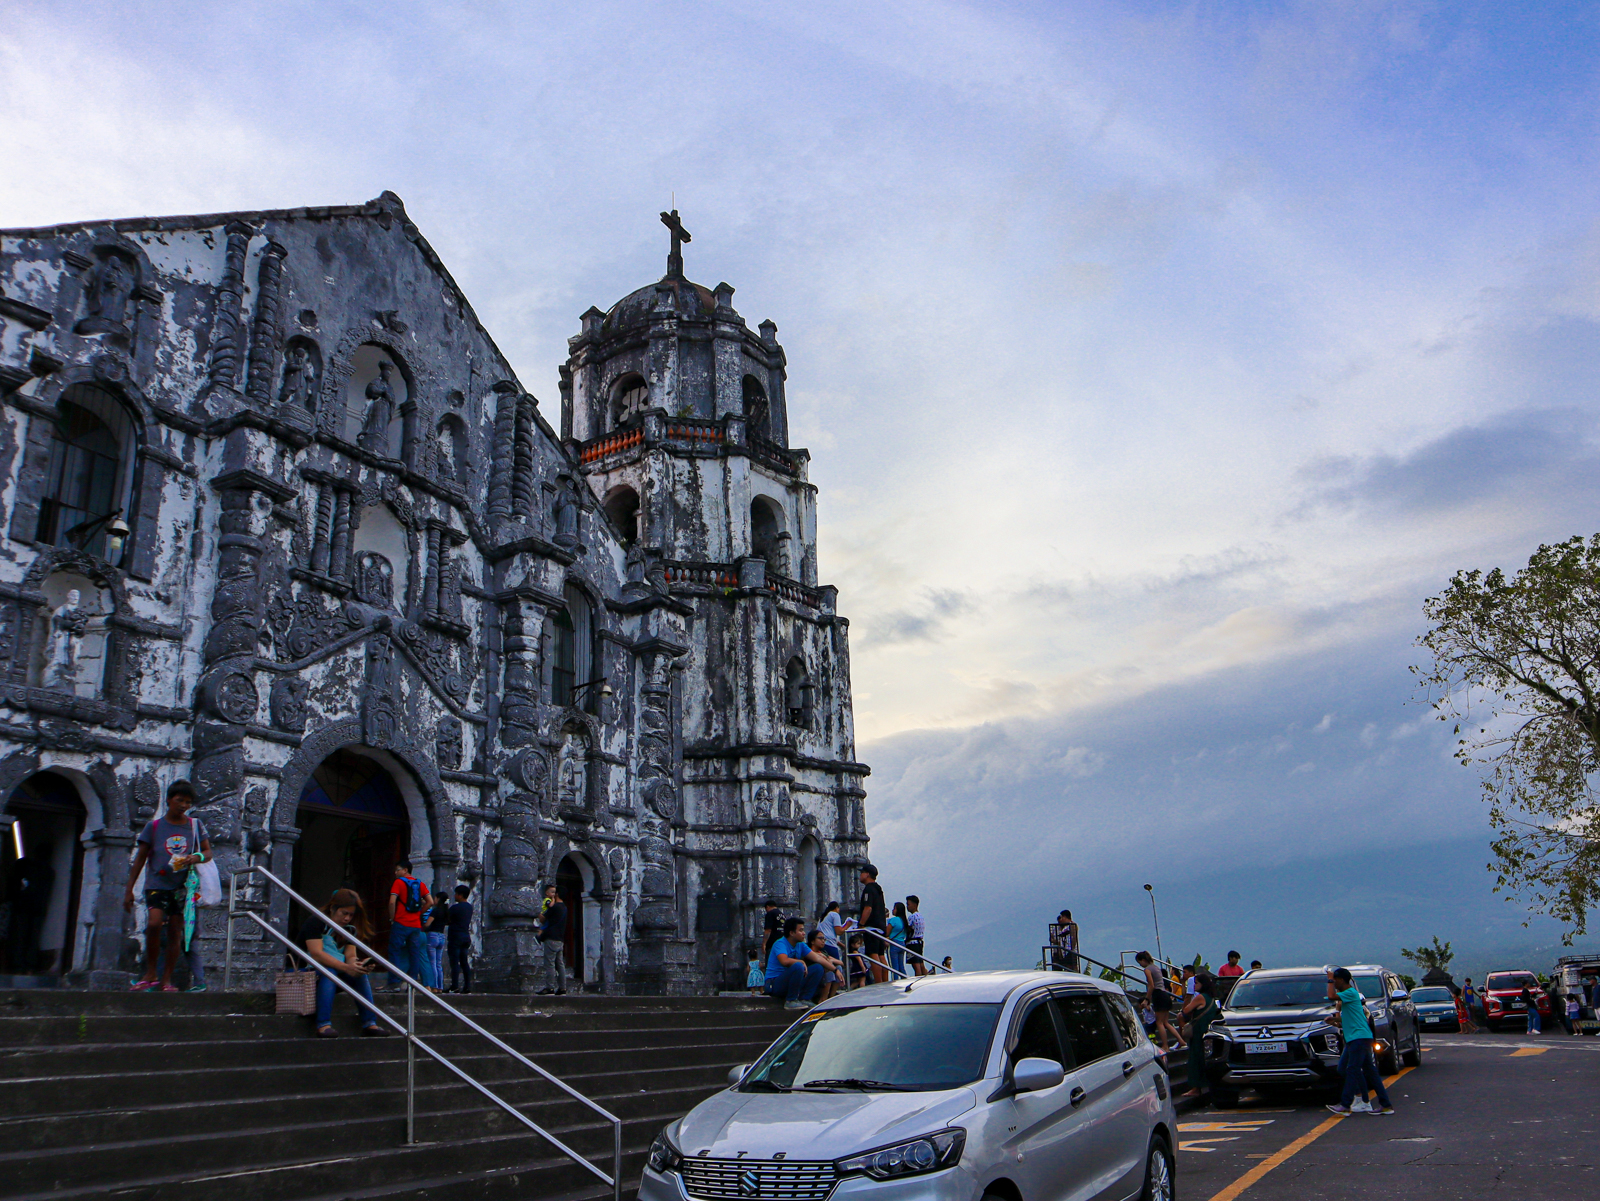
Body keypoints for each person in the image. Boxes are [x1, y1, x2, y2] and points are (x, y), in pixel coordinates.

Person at [124, 780, 212, 992]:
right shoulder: (153, 827)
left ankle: (165, 981)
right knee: (154, 924)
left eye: (188, 802)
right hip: (156, 884)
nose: (183, 805)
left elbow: (208, 852)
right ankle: (150, 972)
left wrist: (196, 857)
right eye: (179, 800)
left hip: (183, 887)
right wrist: (129, 889)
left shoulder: (195, 826)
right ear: (169, 800)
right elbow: (140, 859)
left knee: (175, 933)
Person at [301, 888, 388, 1038]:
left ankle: (370, 1023)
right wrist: (346, 968)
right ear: (333, 908)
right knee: (331, 972)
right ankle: (323, 1025)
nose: (347, 918)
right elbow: (316, 954)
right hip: (306, 973)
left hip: (333, 971)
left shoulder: (349, 930)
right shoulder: (316, 922)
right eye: (344, 913)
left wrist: (358, 965)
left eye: (351, 915)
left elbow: (350, 955)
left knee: (359, 975)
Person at [1326, 967, 1393, 1116]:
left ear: (1341, 980)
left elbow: (1331, 995)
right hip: (1355, 1037)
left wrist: (1329, 979)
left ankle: (1346, 1104)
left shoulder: (1350, 993)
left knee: (1352, 1069)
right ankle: (1382, 1104)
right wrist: (1335, 1020)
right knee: (1362, 1070)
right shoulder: (1348, 996)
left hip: (1359, 1037)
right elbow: (1349, 1019)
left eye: (1335, 980)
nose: (1333, 983)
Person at [386, 860, 432, 990]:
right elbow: (430, 901)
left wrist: (392, 918)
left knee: (394, 951)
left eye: (398, 869)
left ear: (405, 870)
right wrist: (419, 913)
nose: (396, 873)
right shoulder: (420, 883)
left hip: (400, 922)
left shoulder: (399, 882)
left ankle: (394, 981)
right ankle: (412, 981)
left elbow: (391, 902)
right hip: (415, 925)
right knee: (414, 952)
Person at [766, 917, 825, 1009]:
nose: (804, 933)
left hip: (790, 982)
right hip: (775, 983)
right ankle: (791, 1000)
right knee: (798, 965)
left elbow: (817, 958)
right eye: (801, 930)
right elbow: (784, 961)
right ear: (792, 933)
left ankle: (805, 999)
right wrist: (800, 961)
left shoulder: (800, 944)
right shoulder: (780, 943)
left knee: (818, 968)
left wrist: (835, 970)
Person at [1179, 974, 1220, 1100]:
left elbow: (1186, 1010)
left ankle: (1196, 1087)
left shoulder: (1200, 998)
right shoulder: (1212, 998)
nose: (1194, 985)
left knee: (1195, 1057)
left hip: (1198, 1032)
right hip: (1207, 1031)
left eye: (1196, 983)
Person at [1137, 950, 1183, 1056]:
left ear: (1143, 960)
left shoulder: (1147, 969)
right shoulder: (1155, 967)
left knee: (1159, 1022)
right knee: (1166, 1022)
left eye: (1140, 963)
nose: (1140, 965)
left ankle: (1165, 1046)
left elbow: (1151, 985)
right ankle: (1181, 1041)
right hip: (1165, 995)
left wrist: (1147, 999)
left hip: (1158, 995)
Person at [858, 864, 888, 984]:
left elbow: (868, 908)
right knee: (881, 955)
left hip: (871, 927)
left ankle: (878, 982)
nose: (860, 875)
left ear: (867, 874)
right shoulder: (878, 889)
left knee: (873, 954)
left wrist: (861, 924)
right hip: (880, 926)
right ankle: (885, 981)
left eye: (862, 873)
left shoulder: (869, 889)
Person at [536, 883, 568, 996]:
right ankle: (563, 988)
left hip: (551, 938)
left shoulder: (554, 907)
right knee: (560, 964)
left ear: (557, 894)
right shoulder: (564, 908)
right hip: (560, 939)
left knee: (549, 964)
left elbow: (543, 920)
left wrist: (537, 912)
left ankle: (550, 987)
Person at [446, 884, 473, 994]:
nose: (455, 896)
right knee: (464, 962)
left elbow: (447, 919)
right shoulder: (469, 907)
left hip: (455, 937)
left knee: (454, 962)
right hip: (465, 936)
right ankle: (467, 986)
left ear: (460, 895)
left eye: (456, 894)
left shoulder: (455, 908)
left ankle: (455, 985)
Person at [807, 929, 845, 1002]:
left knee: (839, 967)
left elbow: (841, 963)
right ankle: (823, 999)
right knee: (829, 971)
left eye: (824, 939)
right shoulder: (808, 952)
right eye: (820, 938)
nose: (823, 941)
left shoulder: (823, 952)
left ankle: (831, 997)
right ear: (812, 941)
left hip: (823, 979)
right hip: (813, 978)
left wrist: (831, 960)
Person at [423, 893, 450, 993]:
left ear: (438, 899)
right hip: (441, 936)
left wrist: (423, 926)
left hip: (433, 935)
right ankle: (440, 986)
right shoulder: (446, 911)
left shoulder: (435, 911)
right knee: (438, 963)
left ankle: (434, 986)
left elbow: (427, 924)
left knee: (432, 963)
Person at [817, 900, 851, 969]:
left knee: (827, 965)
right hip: (830, 945)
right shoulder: (834, 914)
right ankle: (839, 979)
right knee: (837, 965)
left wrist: (841, 945)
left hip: (821, 944)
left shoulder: (823, 917)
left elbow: (827, 934)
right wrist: (848, 925)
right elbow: (839, 931)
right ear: (836, 908)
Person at [887, 902, 910, 979]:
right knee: (901, 966)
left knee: (894, 968)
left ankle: (895, 982)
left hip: (893, 944)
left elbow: (887, 932)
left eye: (894, 908)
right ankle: (905, 980)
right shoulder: (904, 921)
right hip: (902, 944)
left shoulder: (893, 920)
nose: (893, 910)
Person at [905, 895, 927, 975]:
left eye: (908, 904)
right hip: (920, 942)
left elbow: (909, 929)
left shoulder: (912, 917)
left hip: (912, 943)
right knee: (921, 963)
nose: (907, 907)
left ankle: (918, 980)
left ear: (914, 905)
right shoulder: (921, 916)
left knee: (916, 965)